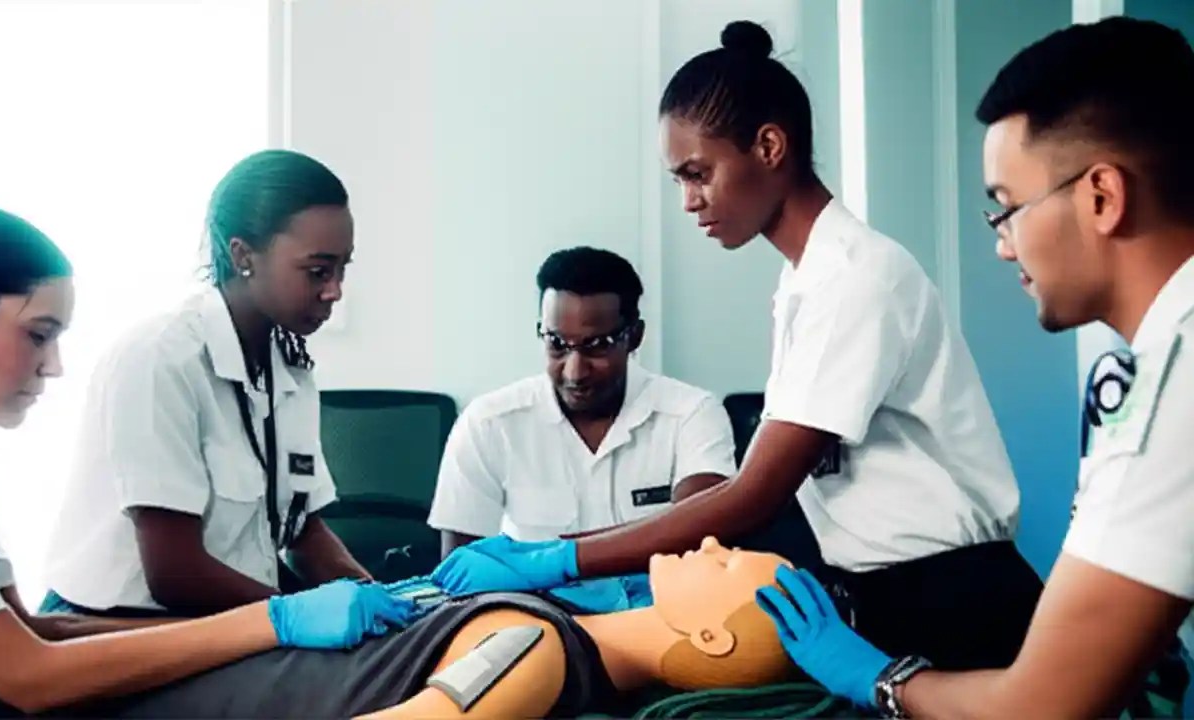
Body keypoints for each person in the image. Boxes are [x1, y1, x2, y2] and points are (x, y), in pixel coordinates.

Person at [431, 19, 1043, 672]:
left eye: (699, 173)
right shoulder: (806, 283)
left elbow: (755, 495)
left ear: (770, 146)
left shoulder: (855, 279)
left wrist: (557, 557)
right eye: (678, 181)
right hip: (890, 592)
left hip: (957, 599)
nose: (690, 201)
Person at [755, 16, 1194, 719]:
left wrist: (881, 680)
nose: (1003, 246)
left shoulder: (1174, 384)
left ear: (1102, 197)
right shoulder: (1156, 366)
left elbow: (1042, 707)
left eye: (1007, 209)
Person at [0, 205, 414, 714]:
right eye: (38, 335)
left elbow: (34, 630)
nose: (55, 366)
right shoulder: (160, 355)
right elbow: (29, 672)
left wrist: (408, 604)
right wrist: (275, 621)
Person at [42, 149, 371, 618]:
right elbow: (174, 573)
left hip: (222, 622)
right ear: (243, 256)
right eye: (317, 271)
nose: (334, 289)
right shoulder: (160, 358)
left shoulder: (289, 368)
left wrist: (381, 601)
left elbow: (300, 532)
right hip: (116, 628)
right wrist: (301, 614)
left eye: (343, 269)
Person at [0, 537, 799, 719]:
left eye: (729, 566)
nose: (713, 545)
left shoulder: (534, 649)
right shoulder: (552, 629)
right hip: (105, 681)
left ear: (714, 641)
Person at [427, 246, 737, 555]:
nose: (575, 371)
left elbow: (702, 539)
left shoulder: (692, 414)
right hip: (532, 605)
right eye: (557, 344)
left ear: (635, 336)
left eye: (597, 345)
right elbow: (461, 570)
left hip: (656, 603)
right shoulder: (489, 422)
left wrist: (553, 561)